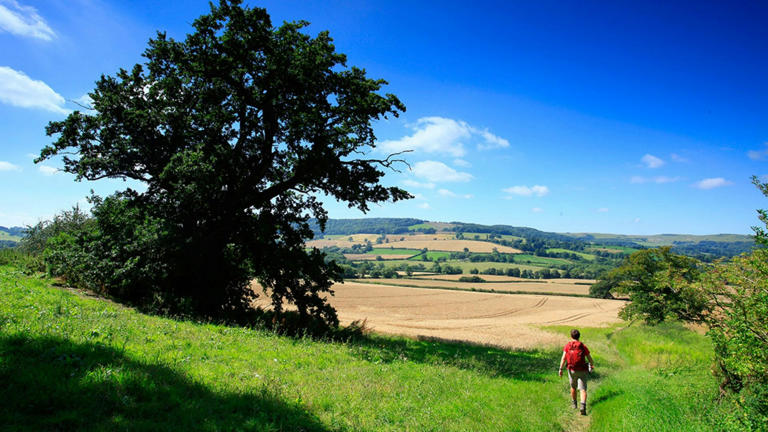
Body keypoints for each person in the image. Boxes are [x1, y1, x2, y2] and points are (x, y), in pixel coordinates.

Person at [558, 329, 594, 415]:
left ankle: (574, 404)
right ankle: (583, 406)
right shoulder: (583, 346)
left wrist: (560, 369)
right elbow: (590, 359)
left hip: (571, 370)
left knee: (573, 387)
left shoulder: (567, 346)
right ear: (579, 336)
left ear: (571, 336)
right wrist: (591, 366)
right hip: (582, 370)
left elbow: (563, 358)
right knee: (583, 389)